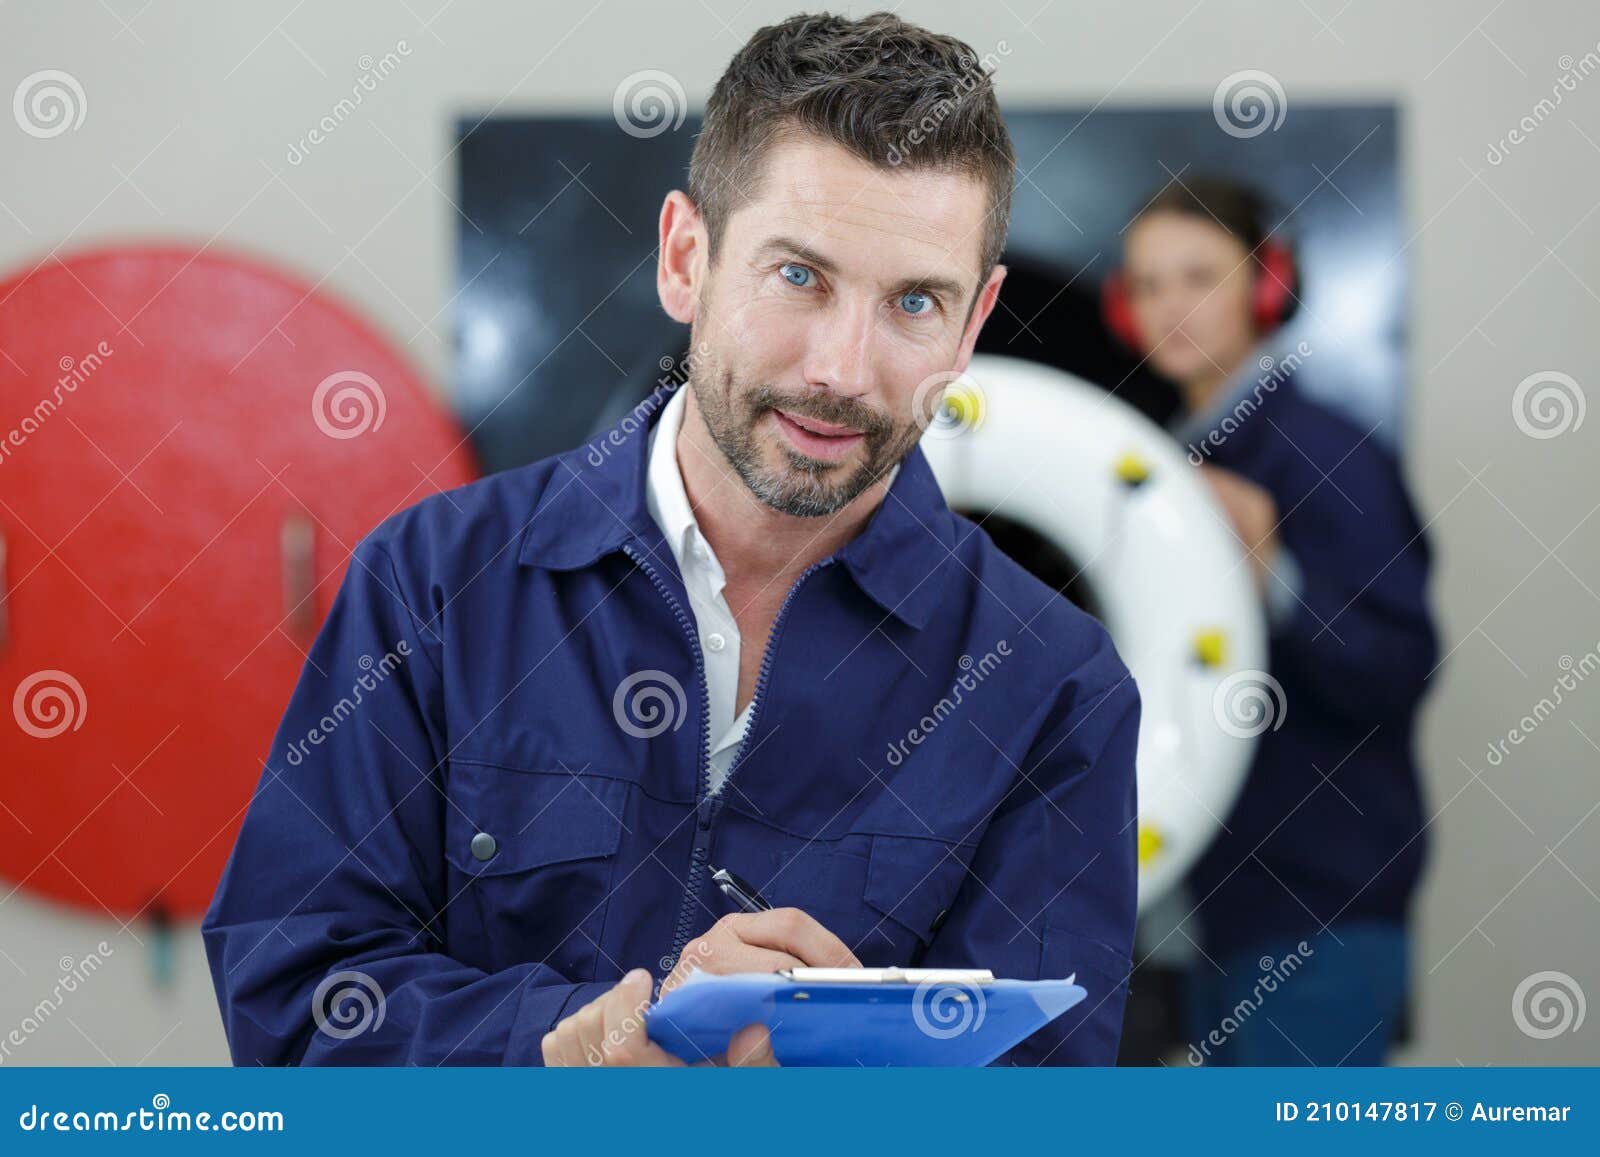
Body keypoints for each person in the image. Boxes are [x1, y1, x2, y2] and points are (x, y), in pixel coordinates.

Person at [203, 11, 1141, 1068]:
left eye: (913, 302)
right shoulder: (433, 581)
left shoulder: (1055, 688)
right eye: (799, 276)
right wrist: (562, 1054)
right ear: (686, 258)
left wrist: (842, 1085)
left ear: (971, 326)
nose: (841, 367)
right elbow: (288, 992)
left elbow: (1048, 1102)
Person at [1112, 177, 1437, 1065]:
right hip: (1216, 909)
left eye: (1198, 277)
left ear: (1266, 286)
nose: (1168, 305)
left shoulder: (1327, 451)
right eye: (1146, 284)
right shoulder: (1176, 455)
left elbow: (1399, 667)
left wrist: (1270, 572)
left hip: (1318, 908)